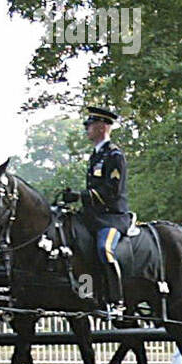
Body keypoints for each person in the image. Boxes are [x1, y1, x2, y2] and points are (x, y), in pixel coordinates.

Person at [59, 106, 129, 318]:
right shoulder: (95, 156)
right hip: (92, 217)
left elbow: (112, 191)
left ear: (102, 127)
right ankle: (85, 293)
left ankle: (117, 302)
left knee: (103, 249)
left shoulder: (114, 156)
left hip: (112, 218)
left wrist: (82, 195)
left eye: (90, 124)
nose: (86, 128)